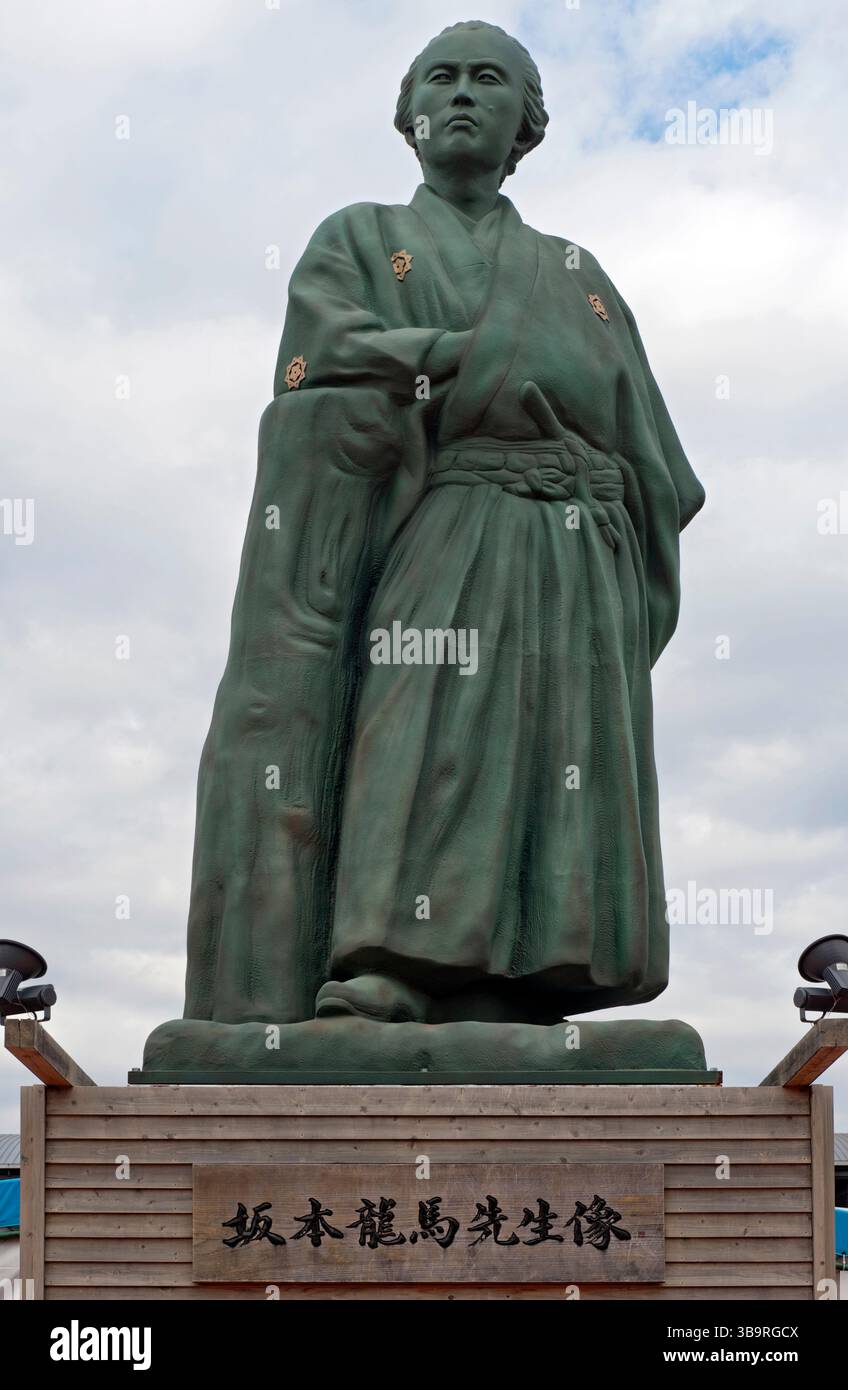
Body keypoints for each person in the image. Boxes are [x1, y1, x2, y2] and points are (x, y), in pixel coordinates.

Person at [181, 20, 705, 1035]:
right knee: (424, 729)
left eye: (489, 81)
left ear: (526, 124)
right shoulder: (361, 236)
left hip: (574, 548)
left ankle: (514, 975)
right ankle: (390, 959)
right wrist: (474, 354)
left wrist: (614, 541)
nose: (462, 94)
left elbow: (654, 459)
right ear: (408, 117)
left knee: (555, 751)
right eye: (442, 77)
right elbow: (322, 357)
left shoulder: (574, 273)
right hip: (449, 514)